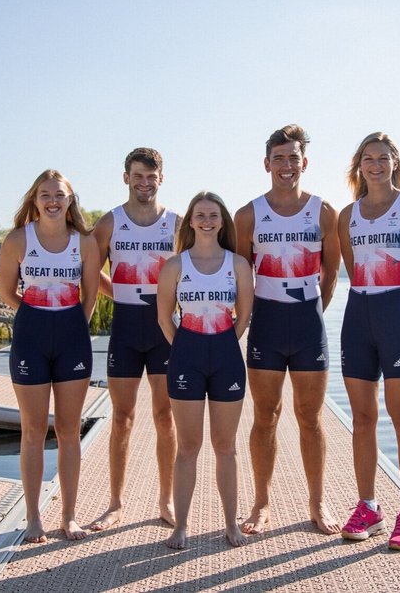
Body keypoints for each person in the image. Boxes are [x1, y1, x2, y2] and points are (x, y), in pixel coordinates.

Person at [233, 124, 341, 535]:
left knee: (310, 418)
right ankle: (261, 503)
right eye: (278, 158)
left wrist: (314, 310)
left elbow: (331, 271)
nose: (286, 165)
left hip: (308, 323)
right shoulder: (248, 215)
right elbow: (242, 275)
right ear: (266, 164)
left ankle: (317, 502)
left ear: (304, 163)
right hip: (267, 324)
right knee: (265, 417)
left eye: (293, 157)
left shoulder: (324, 212)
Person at [337, 132, 400, 551]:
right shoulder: (347, 215)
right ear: (358, 165)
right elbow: (351, 268)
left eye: (383, 157)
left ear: (395, 161)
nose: (375, 164)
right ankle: (369, 507)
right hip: (358, 316)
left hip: (398, 314)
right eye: (368, 158)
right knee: (362, 419)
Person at [0, 169, 101, 542]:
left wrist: (75, 323)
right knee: (33, 430)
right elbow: (8, 292)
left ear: (70, 200)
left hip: (72, 339)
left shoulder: (85, 243)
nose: (53, 201)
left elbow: (89, 294)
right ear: (35, 200)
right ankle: (33, 517)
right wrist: (36, 314)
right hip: (31, 338)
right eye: (46, 195)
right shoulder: (16, 240)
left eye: (60, 195)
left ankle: (69, 517)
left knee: (70, 430)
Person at [156, 192, 254, 549]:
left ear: (222, 220)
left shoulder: (239, 265)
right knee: (188, 447)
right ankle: (181, 527)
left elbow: (243, 316)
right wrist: (185, 346)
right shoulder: (175, 266)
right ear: (191, 222)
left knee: (225, 447)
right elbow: (164, 317)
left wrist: (224, 341)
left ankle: (231, 525)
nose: (207, 220)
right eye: (200, 214)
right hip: (187, 358)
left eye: (213, 214)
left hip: (226, 356)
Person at [89, 148, 179, 531]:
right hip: (125, 329)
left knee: (165, 417)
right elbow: (90, 273)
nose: (145, 183)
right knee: (122, 418)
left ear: (161, 178)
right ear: (126, 177)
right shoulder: (110, 223)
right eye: (138, 176)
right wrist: (121, 293)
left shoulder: (177, 225)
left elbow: (194, 270)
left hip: (165, 330)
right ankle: (115, 503)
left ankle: (166, 500)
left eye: (151, 177)